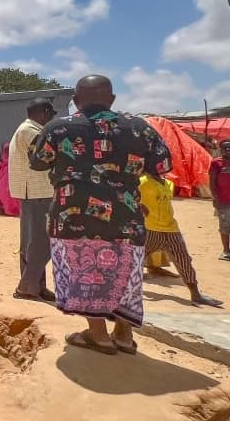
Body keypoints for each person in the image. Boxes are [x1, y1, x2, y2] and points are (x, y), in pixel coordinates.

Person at [29, 75, 171, 356]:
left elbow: (36, 161)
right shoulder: (139, 128)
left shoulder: (58, 128)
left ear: (76, 101)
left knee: (83, 271)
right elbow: (163, 164)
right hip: (126, 218)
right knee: (125, 274)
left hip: (73, 218)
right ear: (113, 100)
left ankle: (97, 334)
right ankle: (124, 334)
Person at [138, 169, 223, 307]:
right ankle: (127, 292)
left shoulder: (168, 184)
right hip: (150, 228)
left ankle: (195, 294)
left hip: (171, 228)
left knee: (183, 259)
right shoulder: (142, 182)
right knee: (137, 259)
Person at [9, 98, 57, 302]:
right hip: (37, 192)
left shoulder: (26, 129)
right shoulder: (31, 131)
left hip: (36, 193)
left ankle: (35, 285)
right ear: (45, 112)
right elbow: (49, 156)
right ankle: (27, 286)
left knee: (33, 241)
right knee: (39, 242)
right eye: (51, 114)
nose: (53, 118)